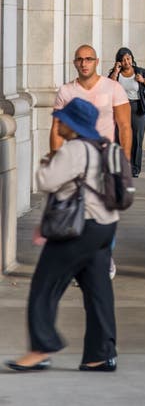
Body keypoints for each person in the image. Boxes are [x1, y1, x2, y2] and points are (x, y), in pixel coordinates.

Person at [6, 98, 119, 373]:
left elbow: (44, 180)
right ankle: (100, 354)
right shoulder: (104, 146)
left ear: (73, 123)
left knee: (45, 285)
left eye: (61, 119)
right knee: (98, 290)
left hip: (79, 228)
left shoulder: (75, 150)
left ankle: (40, 348)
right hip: (105, 225)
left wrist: (48, 161)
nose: (57, 123)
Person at [51, 44, 131, 161]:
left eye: (89, 59)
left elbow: (124, 126)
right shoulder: (65, 90)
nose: (84, 64)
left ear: (96, 62)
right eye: (80, 59)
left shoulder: (113, 87)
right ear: (74, 63)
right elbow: (56, 129)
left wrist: (126, 160)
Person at [108, 47, 145, 178]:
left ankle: (134, 168)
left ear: (132, 59)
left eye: (128, 58)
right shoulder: (116, 73)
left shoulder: (140, 71)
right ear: (119, 61)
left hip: (138, 109)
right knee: (119, 138)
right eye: (123, 60)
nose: (126, 62)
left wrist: (143, 80)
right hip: (121, 108)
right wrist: (115, 70)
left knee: (136, 139)